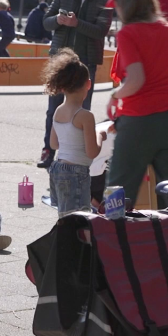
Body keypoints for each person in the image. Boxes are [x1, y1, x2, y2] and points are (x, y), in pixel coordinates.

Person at [106, 0, 168, 208]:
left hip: (138, 121)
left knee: (118, 195)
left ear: (124, 5)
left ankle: (114, 242)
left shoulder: (128, 34)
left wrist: (114, 95)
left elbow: (136, 80)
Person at [39, 0, 113, 169]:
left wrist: (76, 23)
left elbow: (101, 31)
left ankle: (80, 154)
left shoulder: (104, 0)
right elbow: (46, 22)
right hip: (60, 61)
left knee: (82, 110)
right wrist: (58, 21)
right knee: (54, 108)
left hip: (85, 62)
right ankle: (48, 150)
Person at [43, 48, 106, 215]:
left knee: (65, 215)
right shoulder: (85, 116)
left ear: (62, 87)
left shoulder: (58, 111)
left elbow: (53, 144)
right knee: (78, 218)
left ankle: (63, 239)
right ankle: (68, 241)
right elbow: (92, 152)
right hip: (76, 173)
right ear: (88, 84)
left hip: (57, 168)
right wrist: (100, 136)